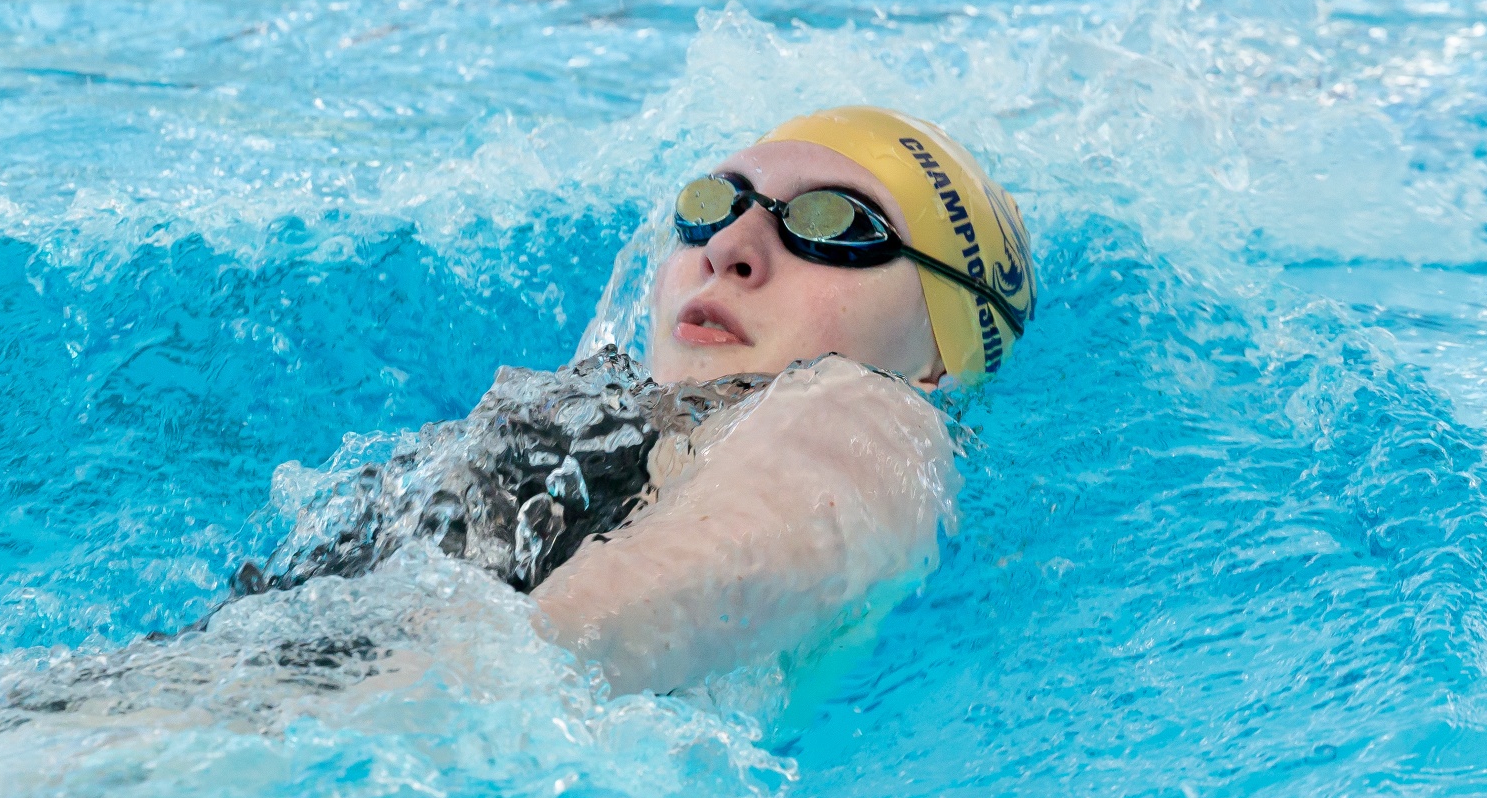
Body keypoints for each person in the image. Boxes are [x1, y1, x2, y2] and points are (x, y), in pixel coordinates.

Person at [249, 104, 1037, 697]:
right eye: (713, 203)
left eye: (834, 223)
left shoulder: (875, 415)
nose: (728, 249)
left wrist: (391, 691)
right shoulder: (602, 412)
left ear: (938, 359)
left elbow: (525, 662)